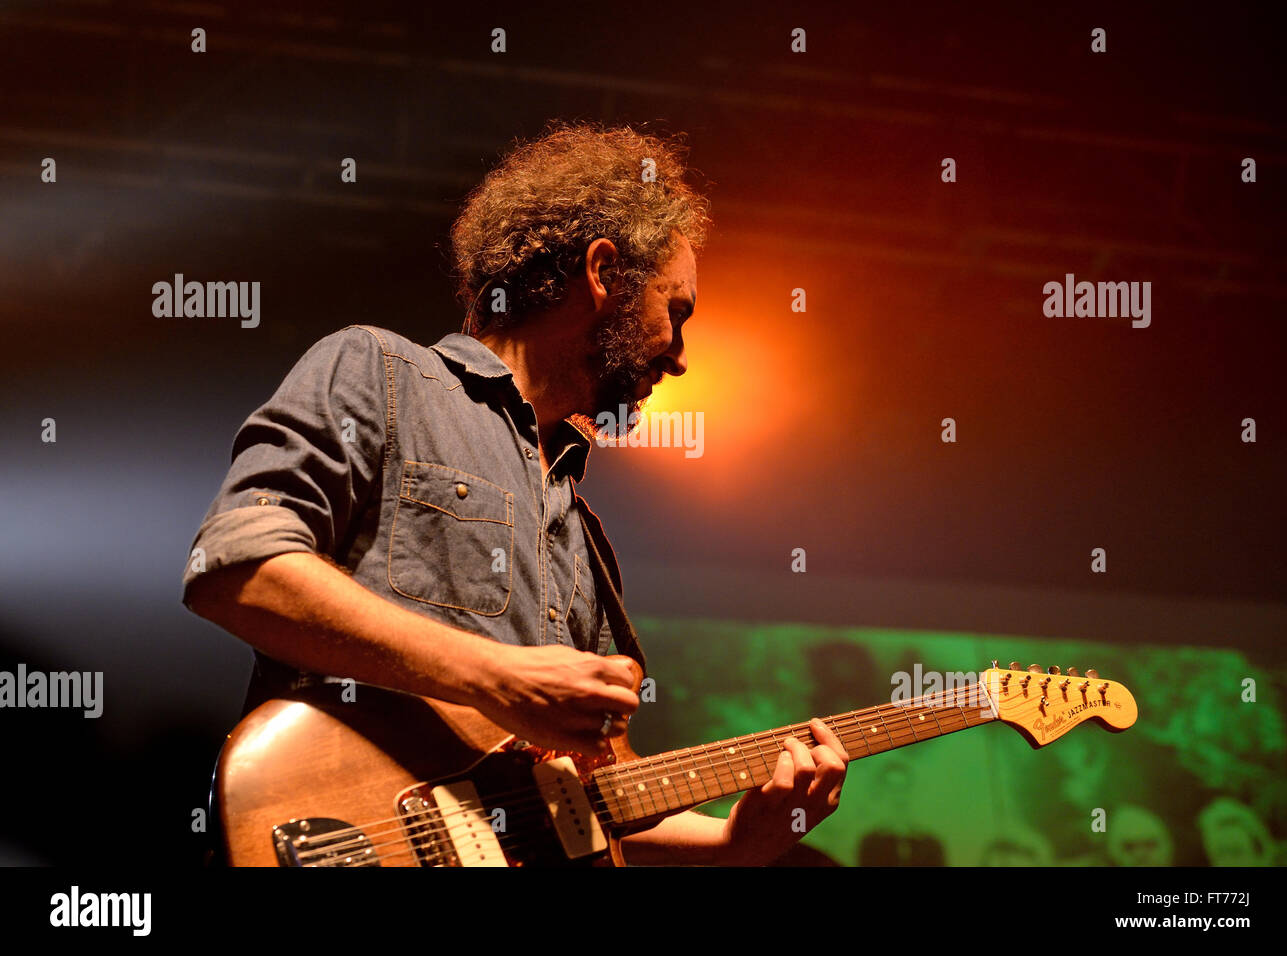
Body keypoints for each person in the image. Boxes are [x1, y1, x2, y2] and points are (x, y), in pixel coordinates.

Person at [181, 122, 848, 866]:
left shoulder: (585, 534)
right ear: (604, 272)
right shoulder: (381, 372)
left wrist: (733, 843)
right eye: (677, 310)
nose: (683, 357)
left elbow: (592, 803)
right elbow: (235, 565)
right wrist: (498, 676)